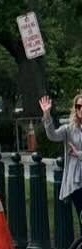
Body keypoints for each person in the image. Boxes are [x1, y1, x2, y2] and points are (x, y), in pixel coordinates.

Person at [39, 91, 82, 223]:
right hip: (77, 182)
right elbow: (52, 135)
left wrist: (78, 154)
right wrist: (47, 114)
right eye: (78, 106)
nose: (81, 109)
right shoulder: (69, 129)